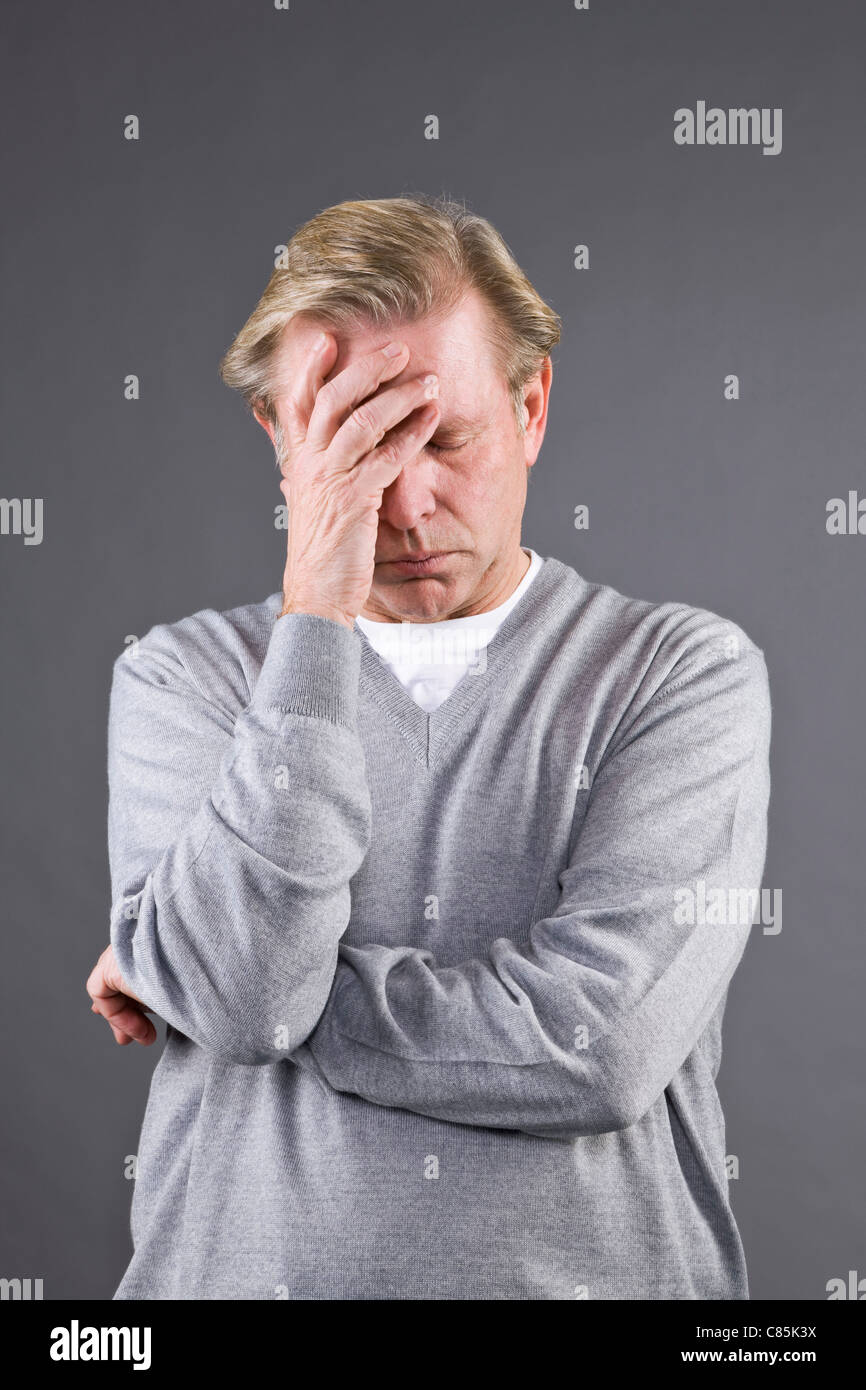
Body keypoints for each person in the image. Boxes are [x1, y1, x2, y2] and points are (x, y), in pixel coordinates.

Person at [87, 193, 771, 1300]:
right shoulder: (183, 680)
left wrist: (211, 972)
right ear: (277, 436)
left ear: (531, 405)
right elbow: (246, 997)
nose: (401, 503)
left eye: (441, 438)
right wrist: (315, 608)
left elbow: (595, 1051)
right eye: (350, 446)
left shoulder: (678, 672)